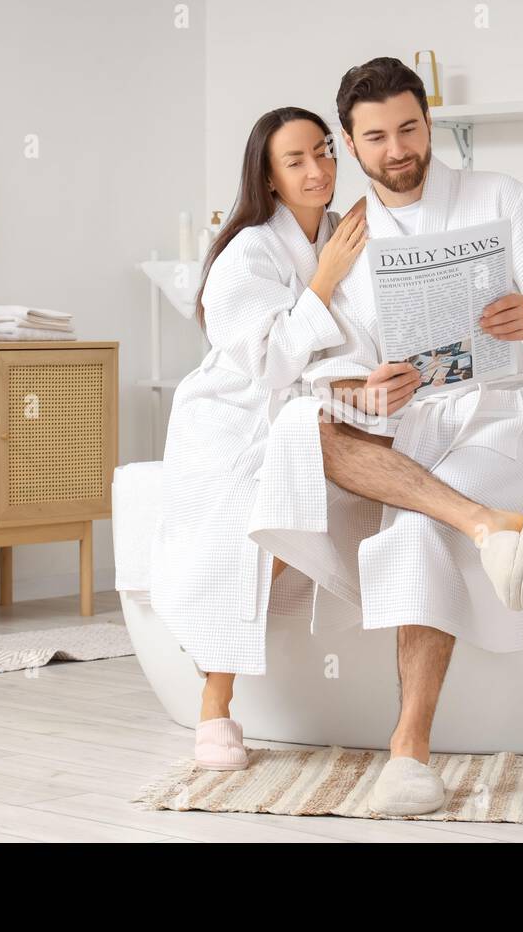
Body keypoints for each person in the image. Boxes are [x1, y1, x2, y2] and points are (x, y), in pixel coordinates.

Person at [247, 58, 523, 815]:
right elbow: (333, 358)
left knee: (412, 533)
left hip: (496, 419)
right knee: (303, 431)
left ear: (428, 123)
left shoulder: (501, 198)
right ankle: (489, 528)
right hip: (409, 424)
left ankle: (408, 753)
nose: (397, 148)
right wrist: (368, 383)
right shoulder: (349, 237)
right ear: (350, 142)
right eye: (376, 136)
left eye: (409, 128)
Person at [148, 107, 366, 771]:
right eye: (295, 160)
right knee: (249, 525)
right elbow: (269, 362)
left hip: (313, 408)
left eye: (324, 152)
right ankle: (217, 703)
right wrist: (324, 277)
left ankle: (218, 656)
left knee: (306, 506)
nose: (318, 169)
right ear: (267, 179)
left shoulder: (346, 232)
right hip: (231, 418)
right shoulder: (247, 252)